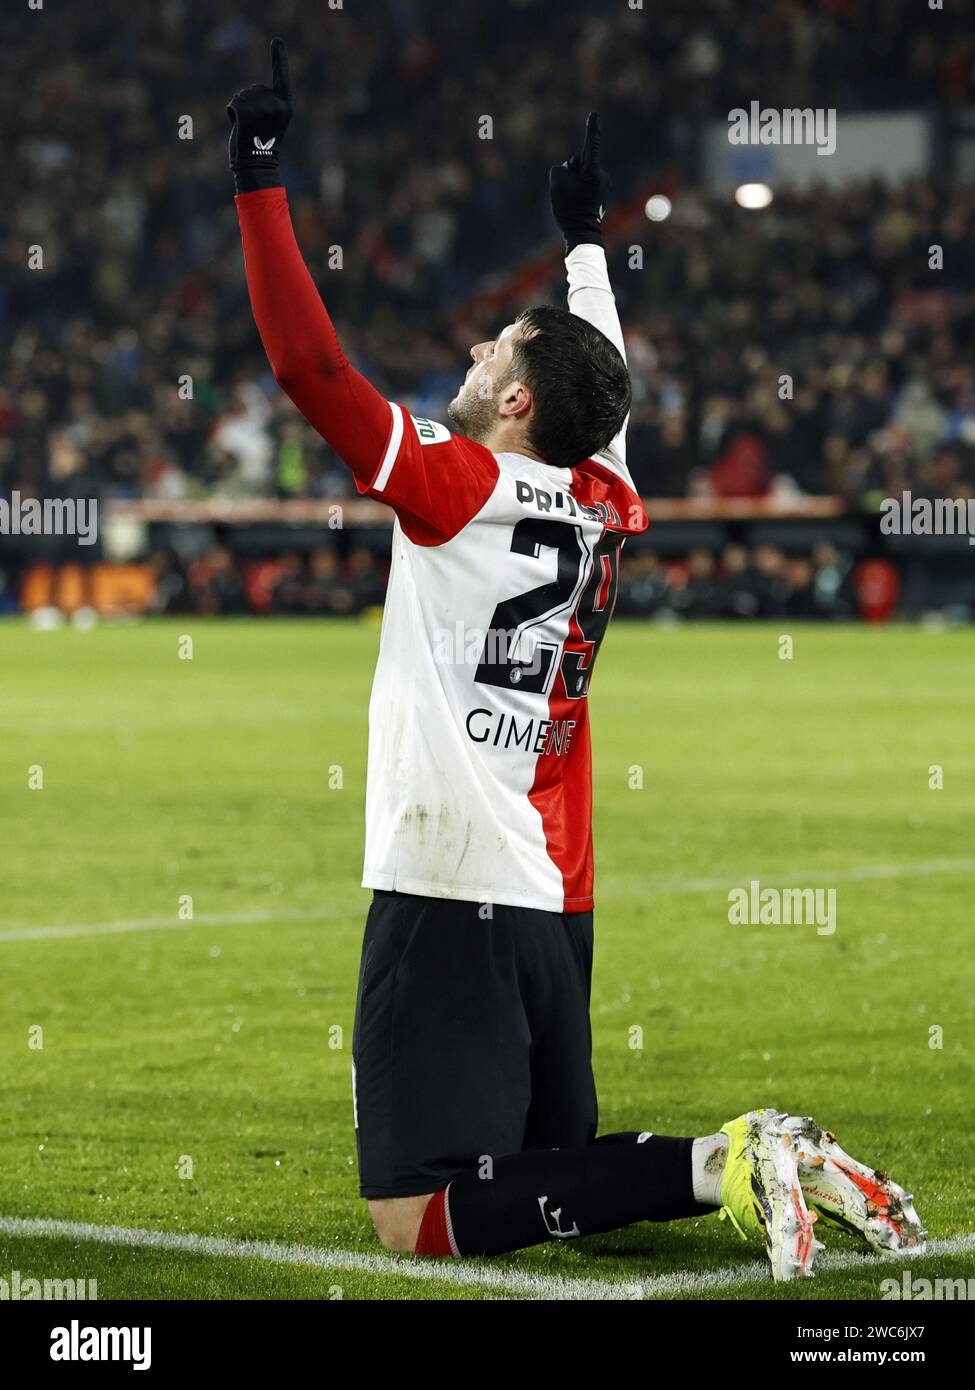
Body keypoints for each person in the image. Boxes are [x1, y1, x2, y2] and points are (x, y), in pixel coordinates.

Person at [227, 40, 924, 1279]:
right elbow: (604, 385)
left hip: (449, 883)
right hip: (557, 893)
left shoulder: (451, 488)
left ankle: (727, 1161)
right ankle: (742, 1167)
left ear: (514, 406)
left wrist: (257, 180)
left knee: (418, 1217)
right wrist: (587, 245)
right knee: (540, 1181)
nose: (475, 355)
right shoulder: (608, 492)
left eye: (495, 349)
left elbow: (307, 367)